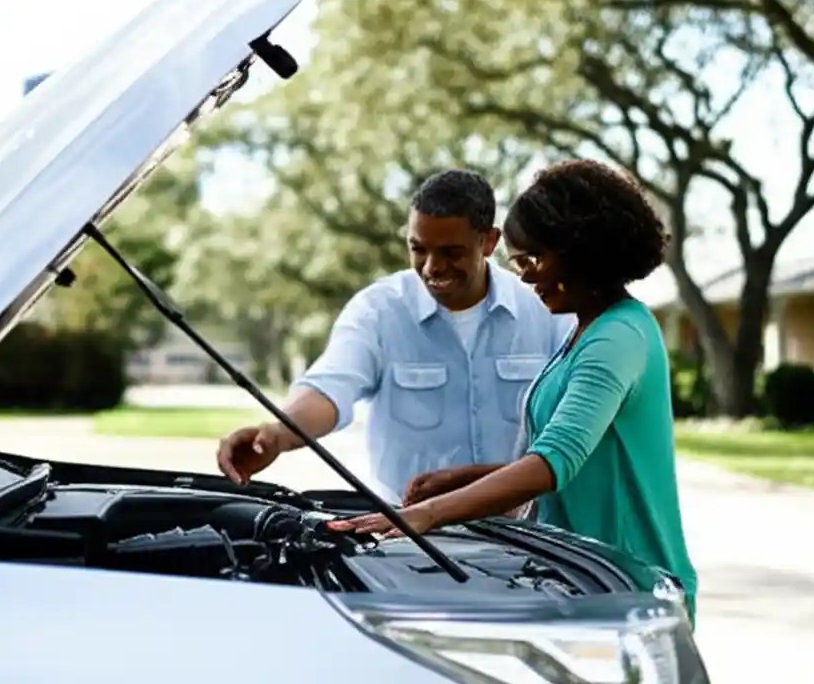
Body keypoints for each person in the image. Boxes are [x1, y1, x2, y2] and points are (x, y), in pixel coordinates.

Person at [328, 159, 699, 620]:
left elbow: (553, 463)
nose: (524, 276)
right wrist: (465, 477)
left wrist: (425, 516)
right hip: (581, 578)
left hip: (628, 585)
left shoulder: (618, 337)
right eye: (519, 262)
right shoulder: (586, 331)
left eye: (534, 260)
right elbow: (577, 460)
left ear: (580, 251)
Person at [216, 168, 575, 502]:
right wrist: (279, 433)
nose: (432, 267)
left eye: (451, 252)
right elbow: (330, 388)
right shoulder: (378, 310)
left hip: (525, 536)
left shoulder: (545, 310)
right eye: (418, 249)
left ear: (489, 242)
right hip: (408, 537)